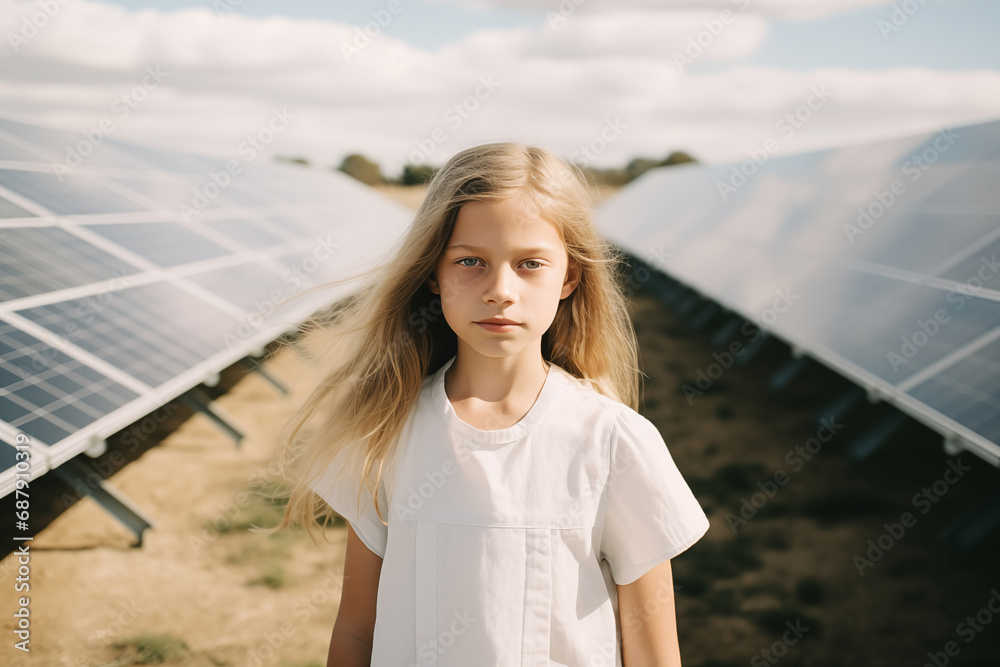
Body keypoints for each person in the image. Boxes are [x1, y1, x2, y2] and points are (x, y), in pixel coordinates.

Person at [265, 142, 711, 666]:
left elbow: (653, 650)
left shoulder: (613, 440)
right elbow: (358, 629)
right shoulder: (384, 432)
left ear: (569, 277)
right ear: (433, 272)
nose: (501, 290)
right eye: (471, 261)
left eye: (530, 264)